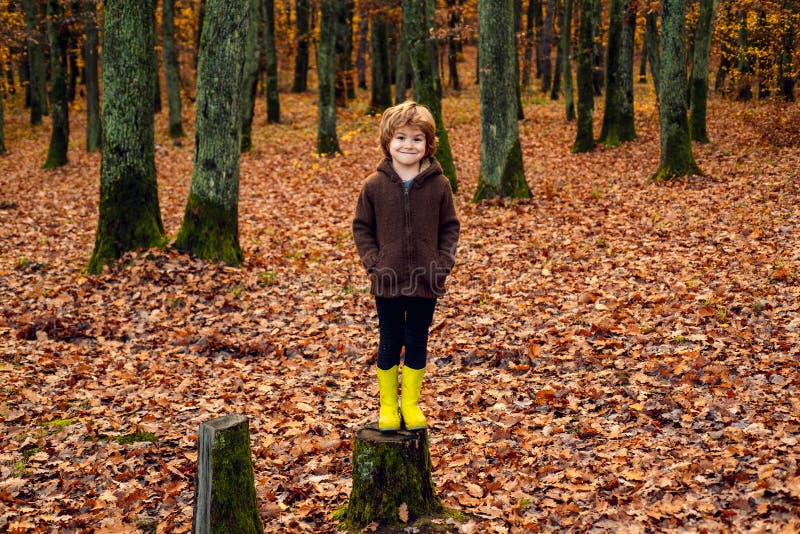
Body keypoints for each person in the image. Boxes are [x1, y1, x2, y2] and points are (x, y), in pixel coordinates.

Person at [352, 101, 460, 432]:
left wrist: (442, 264)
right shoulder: (374, 185)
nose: (408, 145)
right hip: (387, 278)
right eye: (401, 138)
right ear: (388, 142)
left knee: (416, 339)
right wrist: (374, 263)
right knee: (389, 339)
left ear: (428, 144)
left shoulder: (439, 185)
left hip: (426, 280)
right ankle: (388, 405)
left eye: (416, 139)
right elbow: (361, 228)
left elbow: (450, 227)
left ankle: (410, 404)